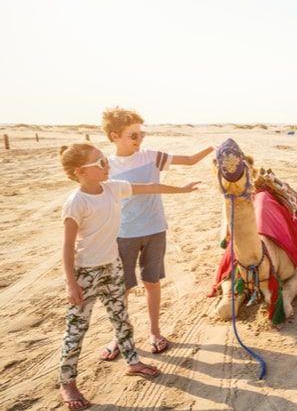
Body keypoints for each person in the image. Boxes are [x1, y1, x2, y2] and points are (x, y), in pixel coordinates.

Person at [58, 143, 200, 410]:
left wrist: (181, 190)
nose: (106, 165)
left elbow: (150, 187)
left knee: (121, 320)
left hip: (112, 267)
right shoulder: (76, 203)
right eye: (100, 163)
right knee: (76, 330)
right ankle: (67, 384)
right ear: (80, 172)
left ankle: (133, 362)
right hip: (85, 274)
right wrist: (71, 283)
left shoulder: (113, 188)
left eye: (105, 159)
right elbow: (67, 247)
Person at [99, 107, 213, 359]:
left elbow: (190, 160)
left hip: (155, 230)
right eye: (133, 135)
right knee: (122, 288)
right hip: (123, 234)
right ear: (114, 136)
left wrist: (214, 146)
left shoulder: (151, 156)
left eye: (142, 134)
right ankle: (119, 336)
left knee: (152, 282)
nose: (139, 139)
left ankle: (155, 332)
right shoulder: (107, 166)